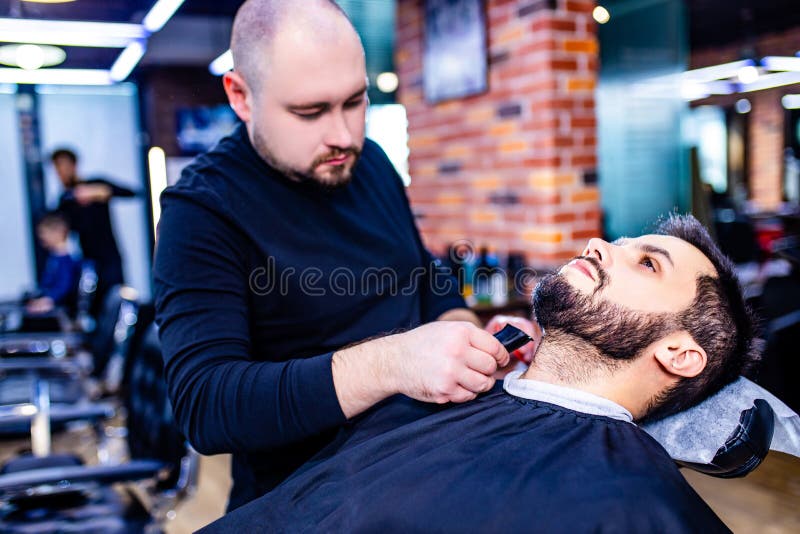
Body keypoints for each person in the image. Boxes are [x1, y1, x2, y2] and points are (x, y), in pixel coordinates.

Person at [153, 0, 534, 511]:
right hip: (308, 503)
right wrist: (393, 363)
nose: (343, 136)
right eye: (309, 111)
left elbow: (425, 277)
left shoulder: (371, 163)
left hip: (426, 466)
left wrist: (468, 339)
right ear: (241, 96)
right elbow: (207, 405)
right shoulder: (201, 211)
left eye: (355, 102)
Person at [199, 215, 757, 533]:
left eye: (648, 263)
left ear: (681, 354)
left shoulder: (636, 508)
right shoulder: (433, 390)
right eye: (620, 241)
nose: (599, 245)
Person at [51, 148, 134, 314]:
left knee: (118, 303)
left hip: (110, 257)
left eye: (64, 166)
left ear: (74, 165)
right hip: (89, 260)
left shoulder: (95, 184)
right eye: (57, 168)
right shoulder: (65, 201)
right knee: (94, 306)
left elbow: (131, 192)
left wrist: (99, 191)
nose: (61, 172)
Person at [25, 211, 81, 315]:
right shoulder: (53, 257)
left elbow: (64, 285)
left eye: (44, 235)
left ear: (58, 233)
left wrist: (49, 299)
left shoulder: (65, 259)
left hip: (61, 307)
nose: (41, 239)